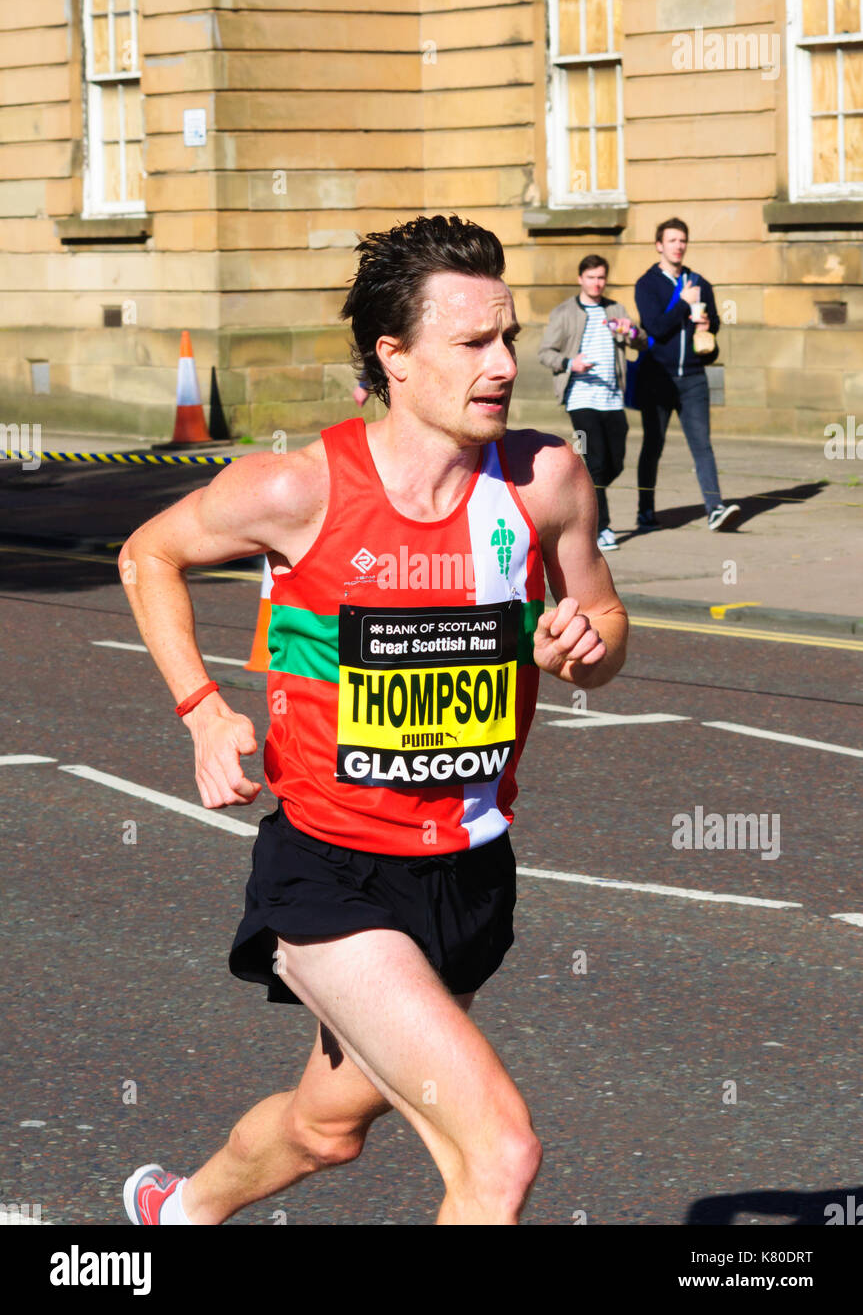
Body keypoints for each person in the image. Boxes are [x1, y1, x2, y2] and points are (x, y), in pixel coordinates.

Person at [118, 214, 628, 1227]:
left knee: (327, 1127)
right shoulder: (294, 486)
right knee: (497, 1152)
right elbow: (147, 554)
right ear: (393, 357)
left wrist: (584, 645)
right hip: (330, 870)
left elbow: (607, 629)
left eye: (508, 337)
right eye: (470, 343)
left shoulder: (544, 482)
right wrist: (203, 709)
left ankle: (176, 1213)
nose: (501, 365)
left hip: (471, 874)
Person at [634, 218, 740, 531]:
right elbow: (656, 327)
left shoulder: (700, 281)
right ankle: (645, 511)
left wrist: (709, 326)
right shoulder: (647, 284)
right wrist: (683, 304)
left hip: (694, 377)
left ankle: (715, 508)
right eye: (672, 241)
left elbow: (716, 323)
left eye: (682, 241)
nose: (678, 246)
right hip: (659, 377)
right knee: (653, 445)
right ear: (659, 245)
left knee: (702, 445)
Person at [538, 254, 648, 552]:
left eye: (601, 277)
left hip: (612, 398)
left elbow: (641, 342)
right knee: (596, 463)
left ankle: (582, 493)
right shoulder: (564, 313)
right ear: (580, 279)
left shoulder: (615, 309)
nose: (596, 283)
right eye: (591, 277)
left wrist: (632, 331)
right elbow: (544, 352)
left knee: (616, 462)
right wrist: (570, 362)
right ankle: (603, 528)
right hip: (581, 398)